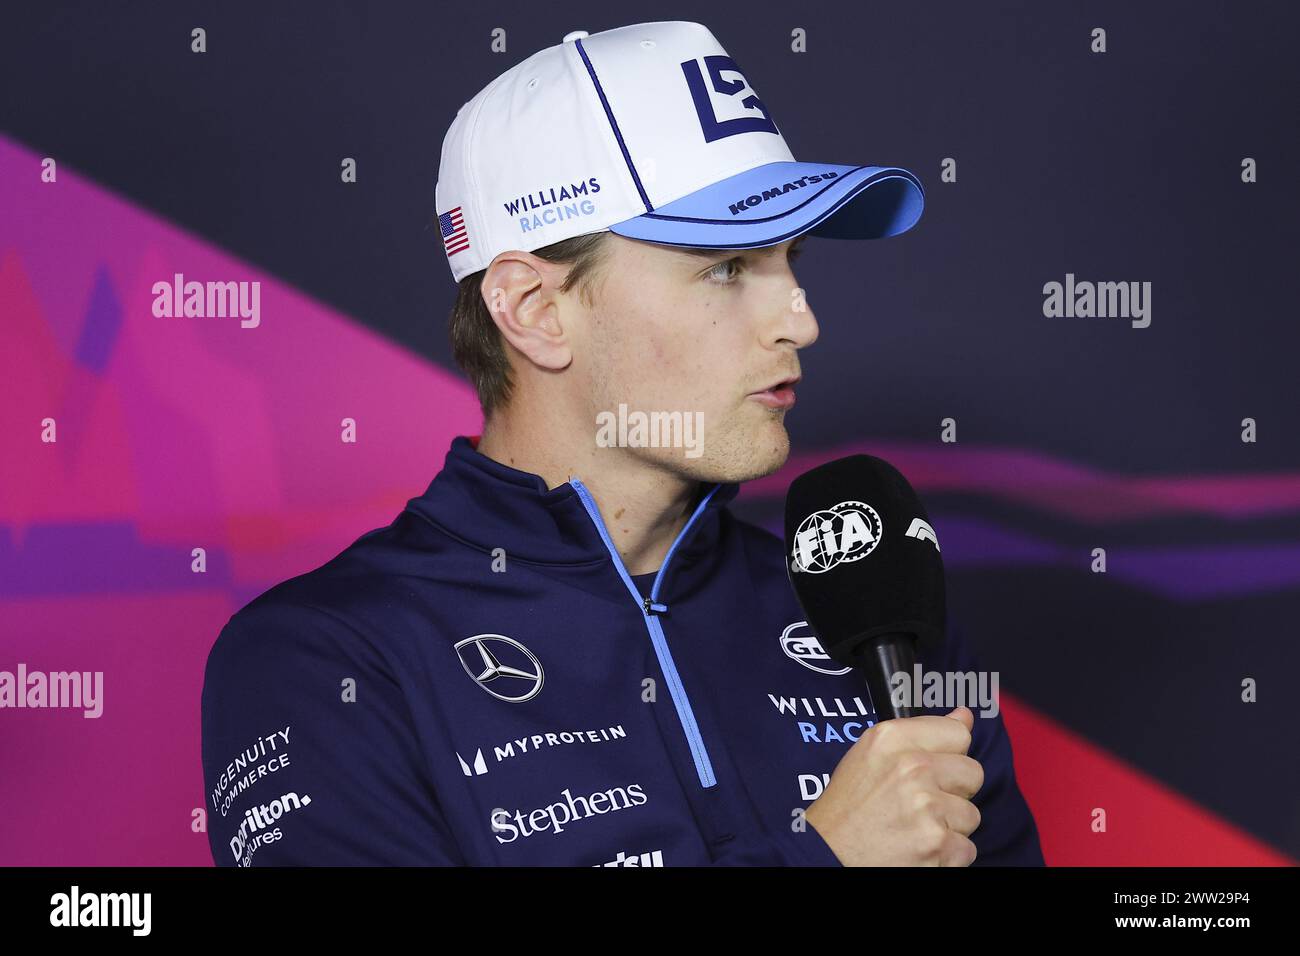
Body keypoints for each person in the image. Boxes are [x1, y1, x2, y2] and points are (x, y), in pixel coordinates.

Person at [201, 20, 1043, 867]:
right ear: (533, 310)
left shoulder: (871, 610)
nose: (802, 321)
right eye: (725, 267)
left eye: (791, 260)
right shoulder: (324, 658)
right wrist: (820, 860)